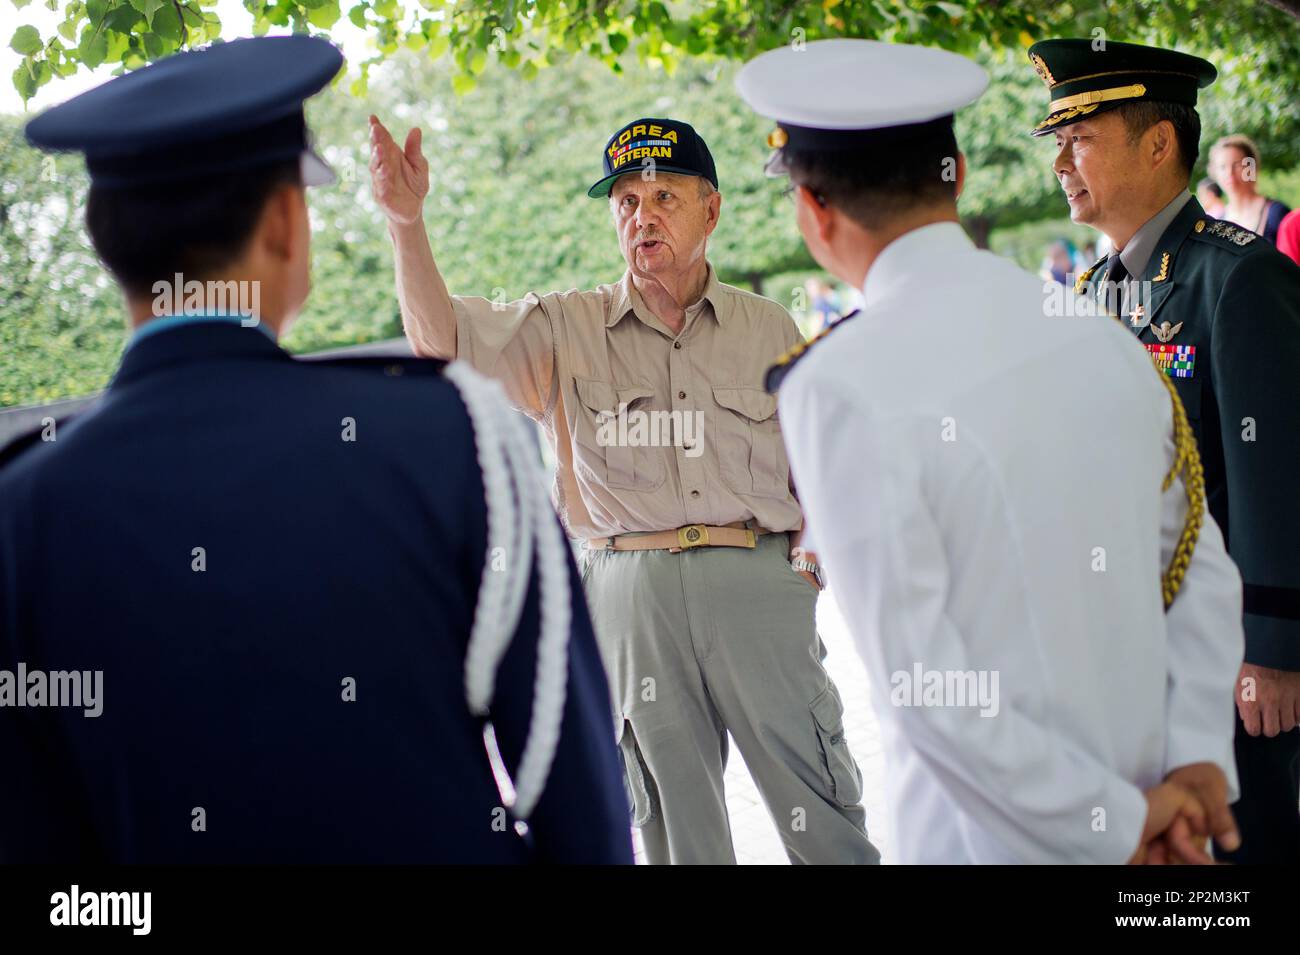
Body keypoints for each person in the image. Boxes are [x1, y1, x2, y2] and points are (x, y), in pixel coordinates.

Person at [0, 35, 632, 864]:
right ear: (283, 224)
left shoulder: (23, 510)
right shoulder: (457, 439)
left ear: (109, 245)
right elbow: (577, 802)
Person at [738, 37, 1245, 864]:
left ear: (813, 212)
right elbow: (1196, 563)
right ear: (959, 173)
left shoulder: (837, 384)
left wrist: (1118, 822)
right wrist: (1192, 766)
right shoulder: (1095, 330)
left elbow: (924, 688)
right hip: (1162, 819)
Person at [369, 112, 879, 864]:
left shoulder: (767, 325)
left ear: (711, 208)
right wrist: (405, 222)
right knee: (677, 836)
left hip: (758, 589)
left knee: (825, 812)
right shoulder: (561, 327)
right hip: (629, 594)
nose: (643, 217)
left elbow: (820, 462)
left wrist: (806, 565)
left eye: (664, 198)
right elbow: (441, 343)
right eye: (626, 203)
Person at [1028, 37, 1300, 863]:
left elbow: (1275, 471)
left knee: (1241, 851)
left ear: (1159, 143)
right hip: (1120, 652)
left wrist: (1276, 648)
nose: (1061, 165)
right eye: (1059, 143)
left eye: (1080, 139)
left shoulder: (1237, 278)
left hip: (1223, 659)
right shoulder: (1087, 292)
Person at [1210, 134, 1292, 244]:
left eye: (1237, 165)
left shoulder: (1277, 213)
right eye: (1222, 167)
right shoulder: (1217, 222)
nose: (1229, 173)